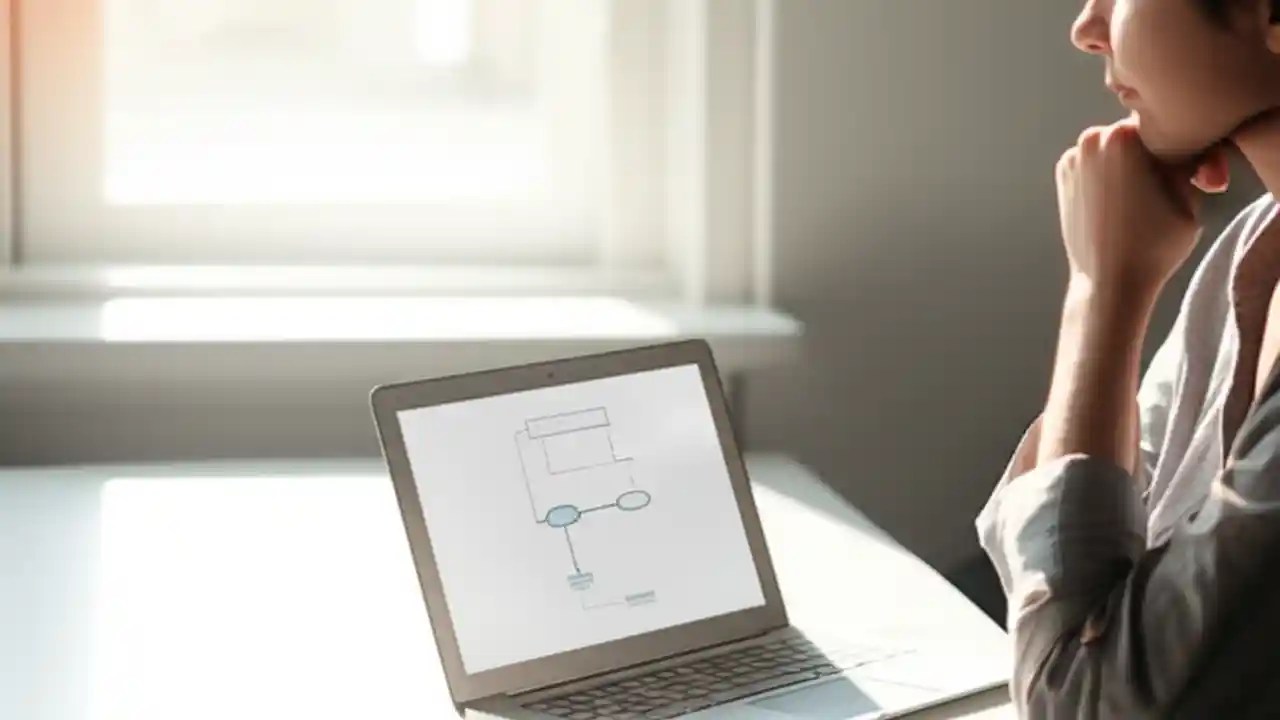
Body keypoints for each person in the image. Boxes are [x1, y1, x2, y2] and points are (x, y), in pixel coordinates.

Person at [975, 0, 1280, 716]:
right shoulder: (1252, 247)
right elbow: (1060, 570)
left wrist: (1101, 295)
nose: (1087, 28)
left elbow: (1079, 695)